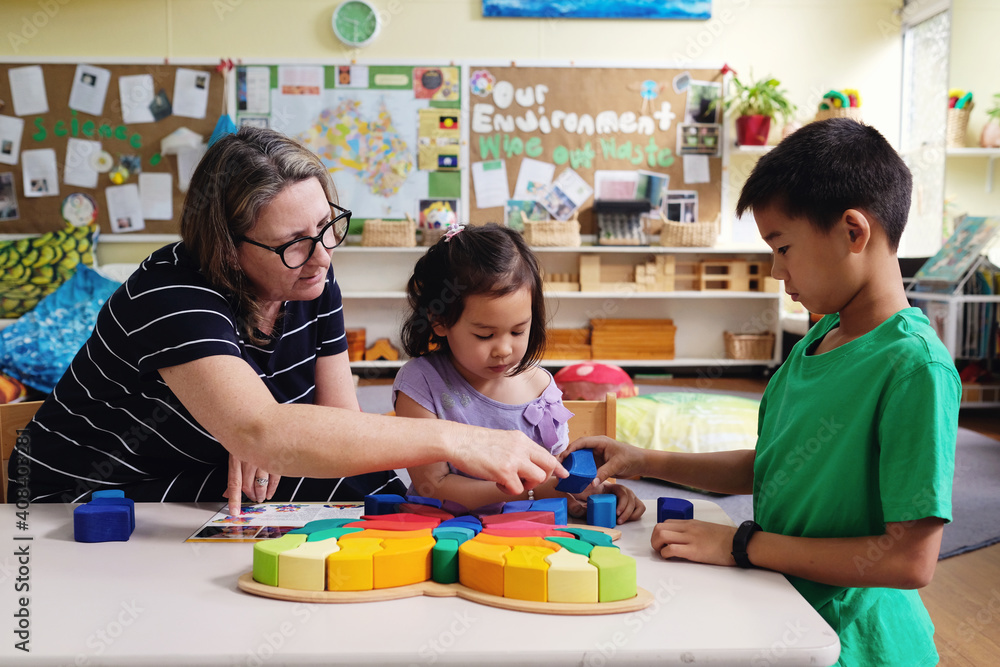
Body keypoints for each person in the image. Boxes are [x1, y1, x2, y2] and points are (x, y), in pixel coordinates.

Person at [563, 118, 960, 666]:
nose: (775, 269)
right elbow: (777, 467)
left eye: (783, 246)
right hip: (785, 608)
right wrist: (643, 459)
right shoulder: (819, 338)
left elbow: (909, 561)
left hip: (856, 646)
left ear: (853, 232)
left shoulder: (915, 368)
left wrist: (740, 545)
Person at [8, 127, 564, 515]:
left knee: (372, 488)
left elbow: (344, 427)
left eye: (327, 227)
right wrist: (459, 440)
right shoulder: (172, 295)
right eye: (293, 244)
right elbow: (263, 430)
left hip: (208, 474)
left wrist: (247, 437)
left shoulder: (312, 281)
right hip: (84, 495)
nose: (322, 255)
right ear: (227, 250)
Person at [393, 223, 644, 523]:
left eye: (517, 330)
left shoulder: (541, 386)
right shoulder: (421, 384)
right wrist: (533, 492)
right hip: (442, 533)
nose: (503, 349)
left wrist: (595, 493)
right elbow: (433, 487)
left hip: (531, 537)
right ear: (439, 322)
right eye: (485, 335)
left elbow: (560, 476)